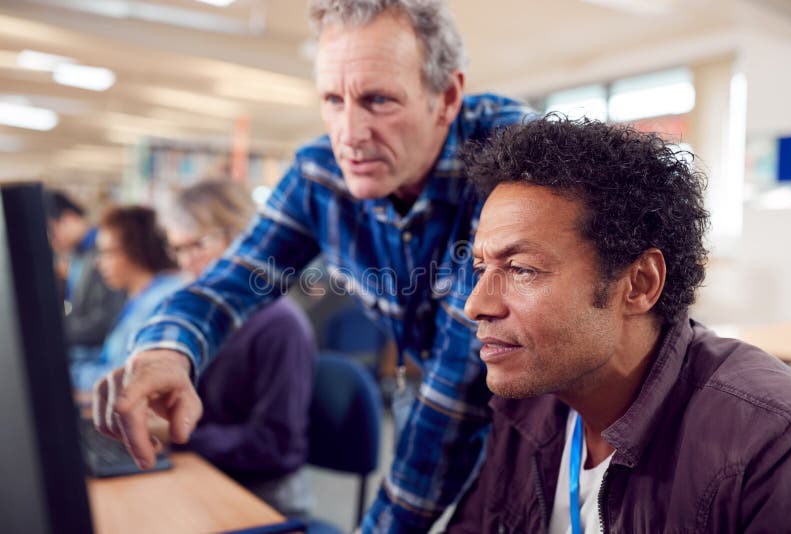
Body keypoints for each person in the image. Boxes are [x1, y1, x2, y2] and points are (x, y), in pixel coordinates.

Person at [92, 0, 531, 531]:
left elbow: (458, 390)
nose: (349, 132)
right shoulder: (319, 175)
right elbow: (228, 282)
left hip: (564, 417)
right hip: (479, 410)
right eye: (332, 99)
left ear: (448, 96)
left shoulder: (513, 159)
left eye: (378, 100)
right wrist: (167, 348)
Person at [445, 116, 791, 533]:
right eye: (482, 268)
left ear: (639, 283)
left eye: (521, 269)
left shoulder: (771, 446)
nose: (475, 305)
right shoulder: (526, 401)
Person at [163, 180, 315, 518]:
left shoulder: (279, 325)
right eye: (178, 249)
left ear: (241, 238)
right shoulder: (205, 317)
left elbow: (274, 445)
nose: (187, 263)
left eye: (196, 246)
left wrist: (181, 434)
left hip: (264, 497)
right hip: (207, 472)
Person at [71, 206, 183, 391]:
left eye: (107, 252)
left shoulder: (161, 301)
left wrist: (69, 373)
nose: (98, 262)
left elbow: (125, 378)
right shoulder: (140, 297)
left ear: (136, 250)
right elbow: (111, 357)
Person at [44, 190, 126, 362]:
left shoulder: (103, 253)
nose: (52, 240)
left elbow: (106, 319)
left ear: (69, 218)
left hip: (97, 356)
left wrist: (55, 333)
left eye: (52, 231)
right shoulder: (76, 256)